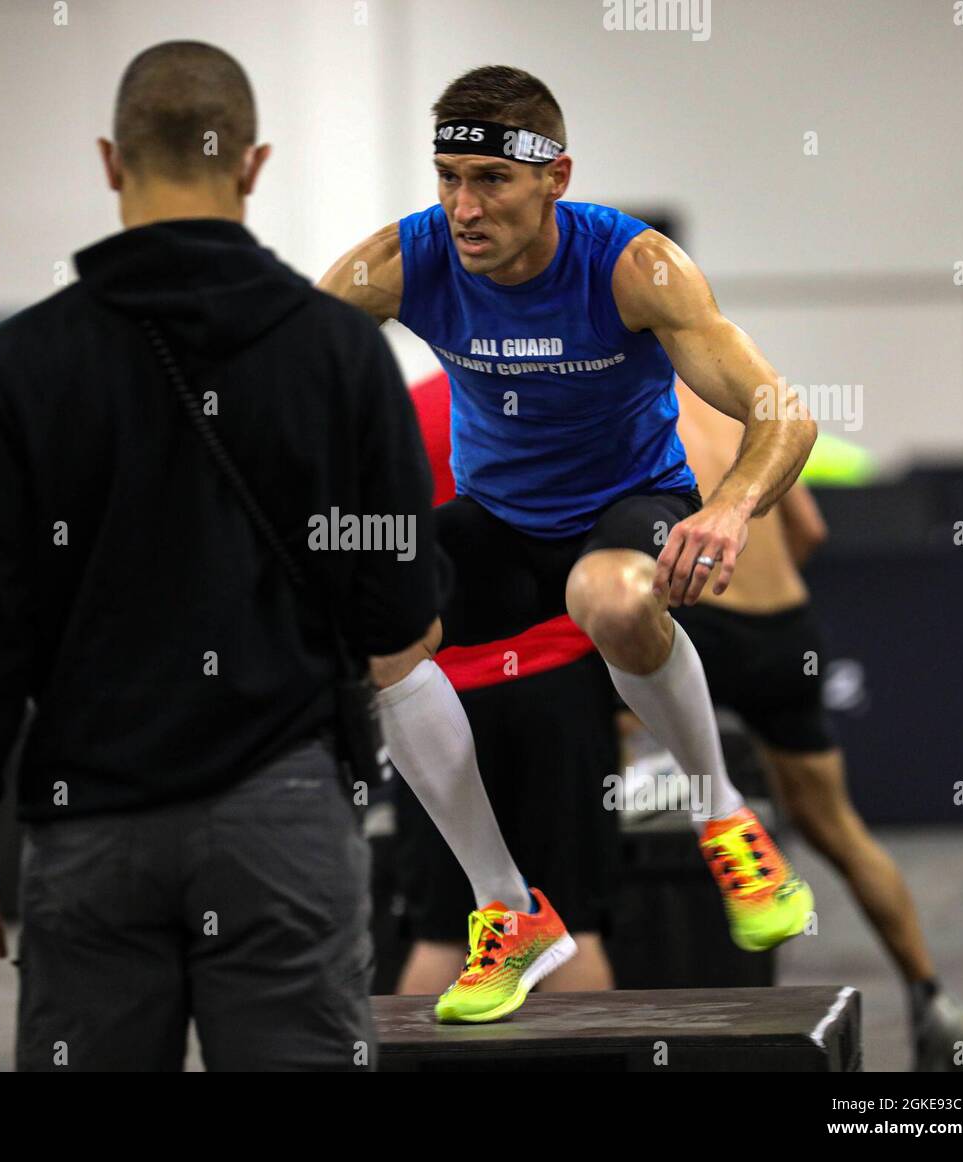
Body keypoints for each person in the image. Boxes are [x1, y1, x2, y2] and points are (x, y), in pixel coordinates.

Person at [0, 41, 439, 1072]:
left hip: (88, 823)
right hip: (286, 813)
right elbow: (398, 611)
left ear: (112, 162)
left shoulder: (14, 366)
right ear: (252, 163)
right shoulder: (341, 353)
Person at [320, 64, 818, 1022]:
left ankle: (726, 822)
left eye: (491, 181)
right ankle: (508, 910)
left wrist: (728, 510)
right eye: (448, 177)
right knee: (374, 628)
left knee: (614, 598)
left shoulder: (634, 267)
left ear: (555, 176)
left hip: (631, 506)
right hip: (499, 522)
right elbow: (283, 370)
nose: (465, 206)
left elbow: (781, 417)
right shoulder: (404, 259)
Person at [658, 383, 963, 1072]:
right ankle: (932, 994)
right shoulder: (745, 405)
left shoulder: (625, 398)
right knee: (837, 827)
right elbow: (810, 531)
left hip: (698, 618)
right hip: (784, 627)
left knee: (609, 737)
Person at [395, 371, 618, 995]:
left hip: (442, 689)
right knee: (576, 927)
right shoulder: (567, 396)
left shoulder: (413, 409)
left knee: (442, 932)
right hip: (555, 683)